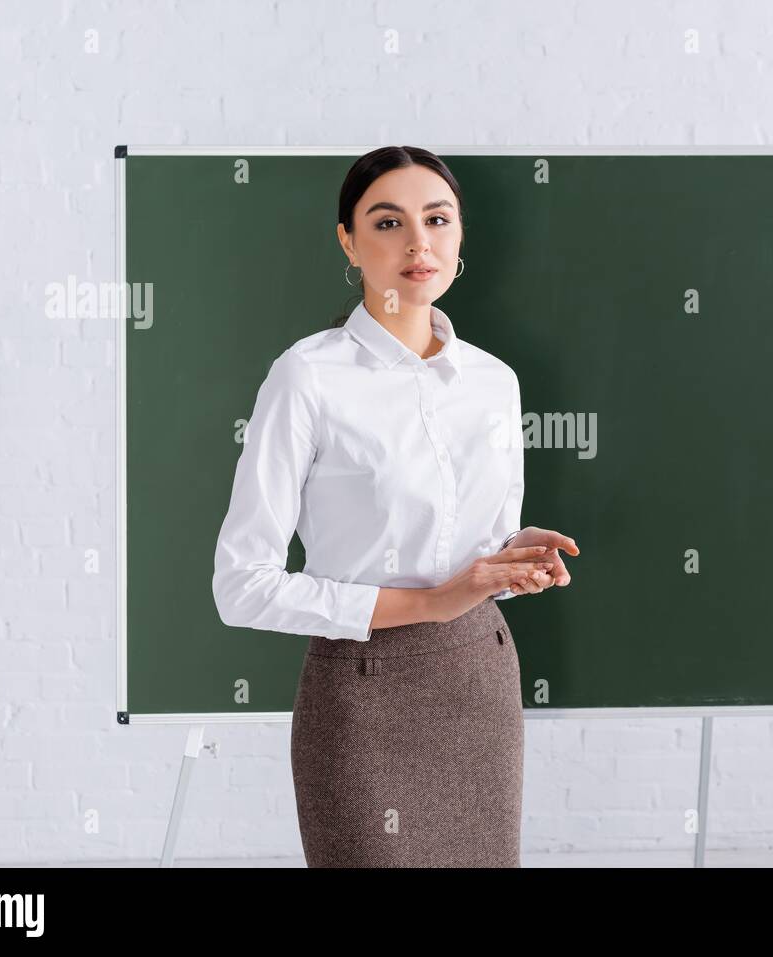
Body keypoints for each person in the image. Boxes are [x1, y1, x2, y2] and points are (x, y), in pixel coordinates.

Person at [212, 145, 579, 867]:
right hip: (360, 696)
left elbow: (477, 551)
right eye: (388, 222)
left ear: (460, 237)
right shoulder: (307, 378)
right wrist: (433, 601)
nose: (418, 242)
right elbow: (240, 586)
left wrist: (513, 556)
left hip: (479, 682)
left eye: (437, 219)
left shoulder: (493, 382)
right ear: (348, 240)